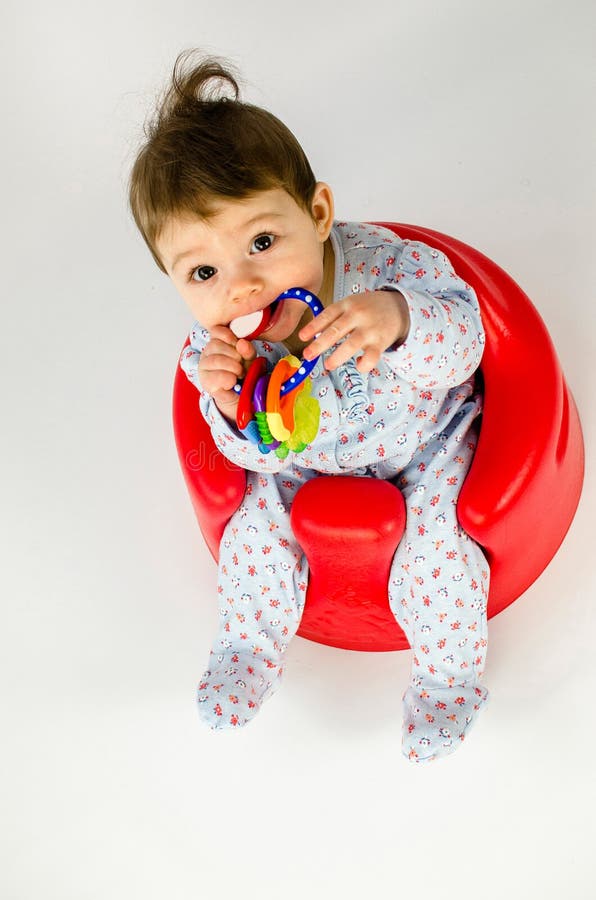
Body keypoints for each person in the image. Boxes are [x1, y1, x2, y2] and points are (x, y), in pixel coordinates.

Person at [128, 50, 490, 763]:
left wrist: (400, 320)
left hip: (424, 442)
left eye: (262, 241)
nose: (244, 286)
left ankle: (451, 679)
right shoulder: (219, 350)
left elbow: (469, 341)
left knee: (436, 556)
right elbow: (245, 456)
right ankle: (248, 650)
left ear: (319, 214)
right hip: (308, 467)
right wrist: (231, 406)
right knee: (253, 538)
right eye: (204, 272)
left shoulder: (390, 269)